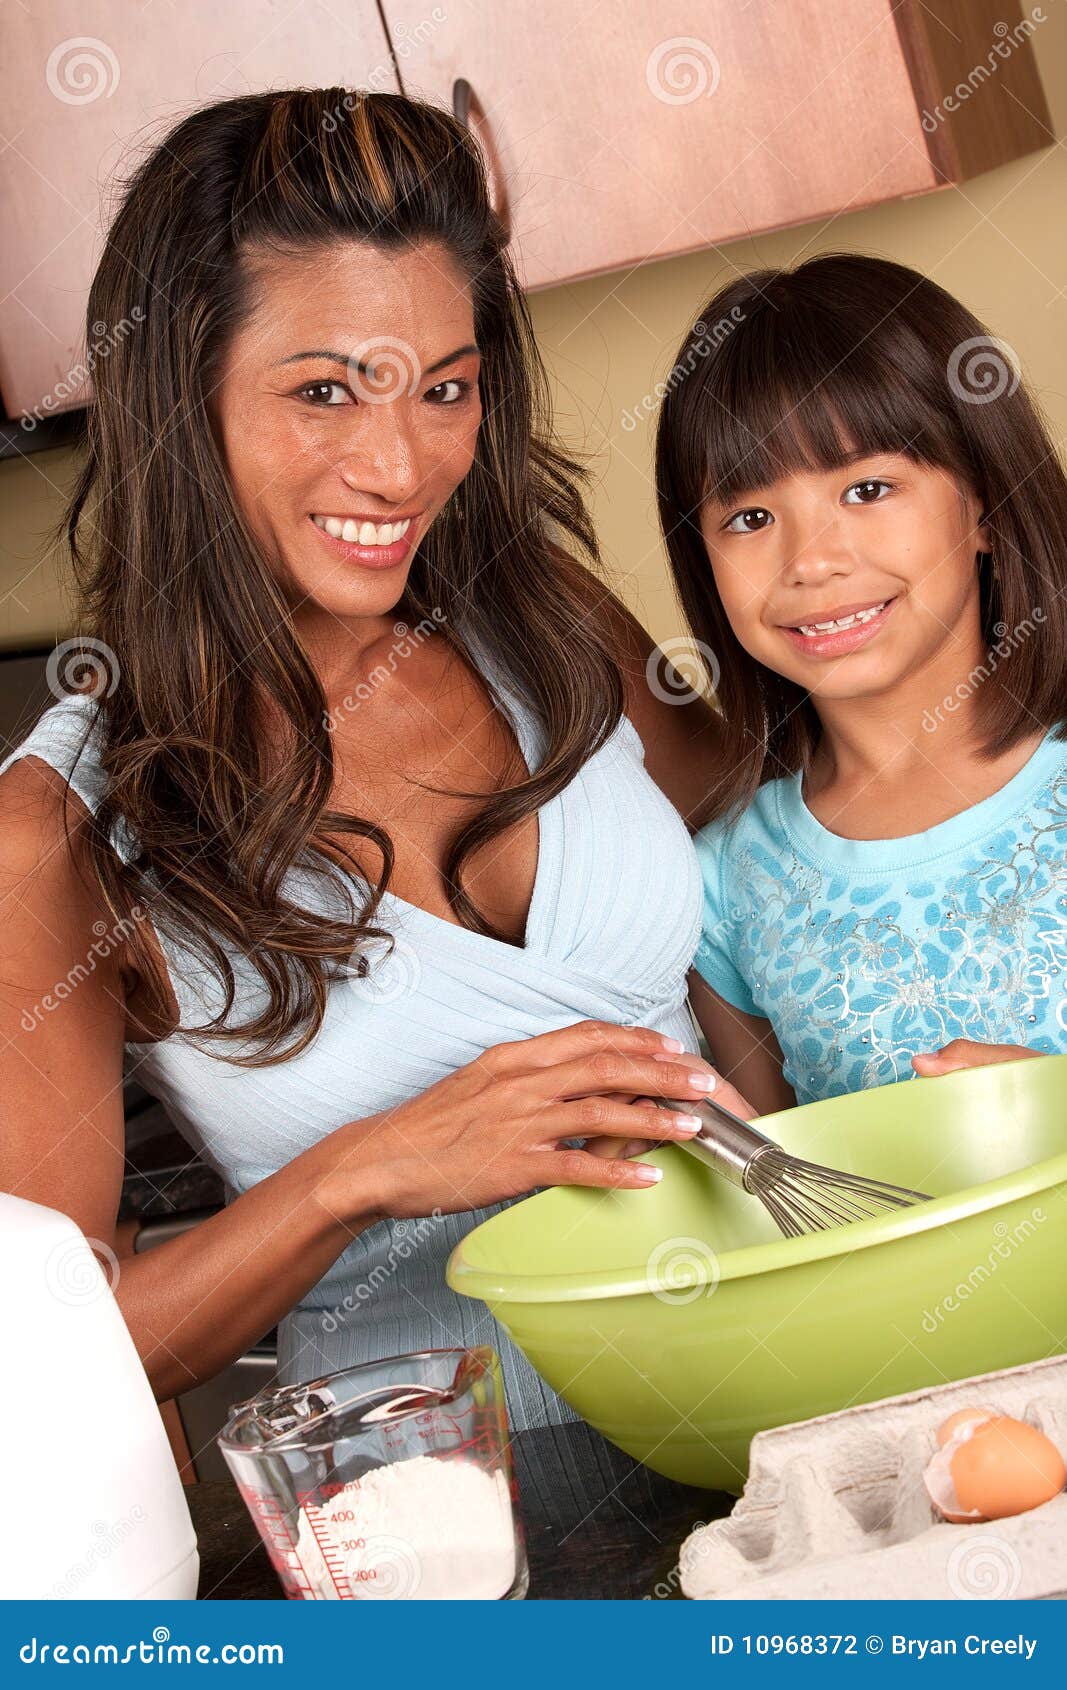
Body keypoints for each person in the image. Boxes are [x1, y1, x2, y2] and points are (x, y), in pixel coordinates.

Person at [0, 87, 751, 1527]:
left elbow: (779, 840)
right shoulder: (59, 834)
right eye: (325, 389)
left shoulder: (540, 619)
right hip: (459, 1514)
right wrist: (368, 1167)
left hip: (772, 1382)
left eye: (444, 386)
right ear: (180, 392)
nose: (400, 465)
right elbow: (60, 1361)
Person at [655, 253, 1064, 1110]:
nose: (810, 562)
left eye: (867, 488)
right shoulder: (726, 885)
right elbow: (783, 1196)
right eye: (751, 517)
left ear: (983, 503)